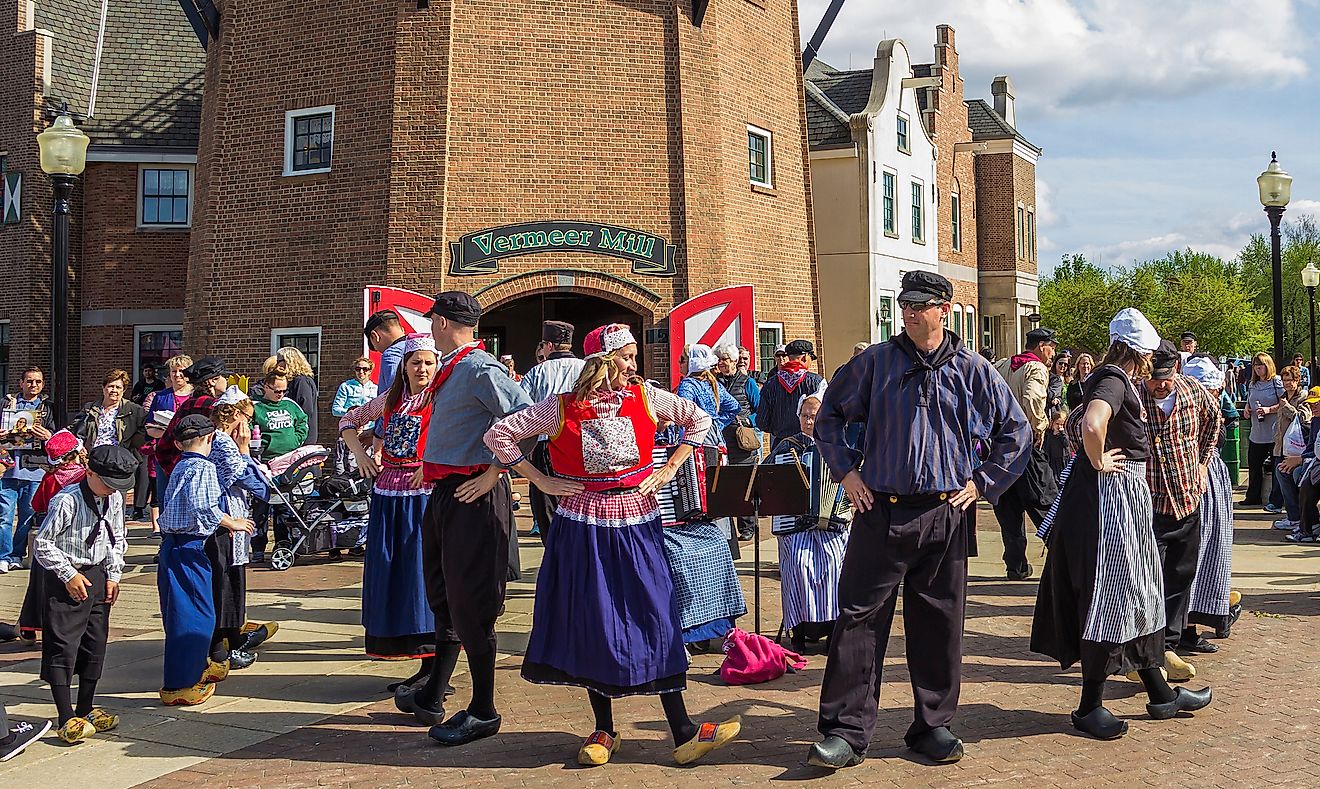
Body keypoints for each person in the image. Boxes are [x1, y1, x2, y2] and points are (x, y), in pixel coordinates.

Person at [484, 322, 741, 767]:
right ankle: (604, 728)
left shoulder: (646, 397)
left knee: (655, 613)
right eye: (626, 356)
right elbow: (499, 435)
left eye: (633, 356)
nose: (633, 365)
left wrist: (669, 467)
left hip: (637, 521)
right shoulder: (562, 408)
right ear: (602, 362)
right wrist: (541, 479)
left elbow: (698, 421)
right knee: (593, 617)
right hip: (582, 524)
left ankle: (682, 729)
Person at [807, 270, 1031, 769]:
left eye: (920, 304)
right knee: (858, 621)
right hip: (879, 510)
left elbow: (1016, 431)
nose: (909, 312)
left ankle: (933, 725)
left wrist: (982, 484)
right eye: (904, 303)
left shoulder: (973, 369)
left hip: (944, 512)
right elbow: (827, 419)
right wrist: (846, 473)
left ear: (943, 310)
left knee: (938, 623)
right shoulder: (875, 363)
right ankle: (846, 731)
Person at [1032, 309, 1212, 741]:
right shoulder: (1113, 378)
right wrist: (1098, 460)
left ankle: (1160, 693)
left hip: (1119, 498)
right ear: (1139, 353)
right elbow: (1093, 421)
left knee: (1140, 592)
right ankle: (1089, 705)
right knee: (1112, 598)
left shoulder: (1112, 376)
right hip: (1108, 502)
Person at [396, 291, 532, 747]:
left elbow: (531, 417)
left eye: (430, 319)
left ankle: (484, 709)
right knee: (444, 593)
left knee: (471, 602)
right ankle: (435, 693)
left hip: (473, 492)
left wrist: (496, 469)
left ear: (439, 322)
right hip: (446, 490)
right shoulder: (456, 366)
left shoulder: (479, 367)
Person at [339, 333, 440, 692]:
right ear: (405, 367)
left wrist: (432, 463)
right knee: (393, 570)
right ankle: (413, 655)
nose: (422, 368)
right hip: (389, 492)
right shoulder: (391, 398)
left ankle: (434, 663)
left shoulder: (440, 398)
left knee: (420, 572)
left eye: (428, 362)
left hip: (423, 495)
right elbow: (348, 422)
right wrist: (362, 455)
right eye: (416, 362)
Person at [33, 445, 136, 743]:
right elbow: (43, 544)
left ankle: (86, 706)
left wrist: (113, 574)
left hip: (98, 573)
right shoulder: (67, 500)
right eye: (107, 483)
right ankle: (66, 716)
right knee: (63, 644)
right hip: (66, 574)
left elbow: (118, 537)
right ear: (89, 471)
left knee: (95, 642)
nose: (111, 490)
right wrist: (68, 574)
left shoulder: (113, 498)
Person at [157, 414, 254, 706]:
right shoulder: (204, 468)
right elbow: (204, 506)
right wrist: (231, 522)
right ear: (211, 439)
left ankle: (193, 669)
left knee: (183, 613)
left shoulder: (181, 465)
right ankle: (180, 686)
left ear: (177, 442)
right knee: (195, 617)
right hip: (190, 547)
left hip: (174, 546)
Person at [1138, 340, 1220, 680]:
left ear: (1177, 371)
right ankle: (1146, 651)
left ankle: (1168, 647)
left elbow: (1214, 425)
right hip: (1149, 505)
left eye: (1166, 378)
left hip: (1187, 500)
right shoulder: (1130, 395)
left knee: (1180, 577)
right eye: (1154, 378)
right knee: (1147, 582)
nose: (1160, 385)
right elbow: (1078, 424)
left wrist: (1203, 464)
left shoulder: (1193, 393)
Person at [670, 344, 746, 646]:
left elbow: (682, 416)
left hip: (695, 448)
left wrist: (683, 436)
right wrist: (716, 424)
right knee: (718, 503)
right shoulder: (713, 384)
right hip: (717, 447)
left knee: (696, 499)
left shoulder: (688, 385)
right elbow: (733, 408)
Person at [768, 387, 850, 654]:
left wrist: (846, 504)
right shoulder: (787, 447)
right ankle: (799, 631)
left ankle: (831, 629)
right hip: (795, 524)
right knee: (799, 564)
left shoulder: (839, 445)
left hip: (831, 523)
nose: (808, 421)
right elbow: (770, 481)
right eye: (804, 416)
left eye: (814, 416)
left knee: (832, 565)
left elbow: (854, 479)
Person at [208, 388, 274, 672]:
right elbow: (252, 481)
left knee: (233, 577)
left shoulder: (221, 440)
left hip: (232, 514)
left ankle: (233, 636)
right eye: (247, 418)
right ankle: (227, 644)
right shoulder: (223, 442)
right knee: (226, 580)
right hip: (224, 519)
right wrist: (246, 451)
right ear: (234, 416)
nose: (250, 426)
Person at [1180, 356, 1243, 643]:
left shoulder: (1189, 406)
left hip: (1204, 475)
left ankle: (1205, 616)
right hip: (1199, 477)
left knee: (1207, 547)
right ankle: (1193, 624)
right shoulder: (1197, 409)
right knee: (1201, 548)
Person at [991, 326, 1060, 580]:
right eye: (1051, 347)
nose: (1052, 353)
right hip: (1025, 444)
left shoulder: (1001, 365)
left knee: (1008, 508)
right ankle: (1062, 559)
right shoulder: (1036, 368)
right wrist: (1038, 425)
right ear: (1042, 346)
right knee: (1045, 503)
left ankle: (1016, 565)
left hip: (1001, 446)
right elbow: (1032, 398)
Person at [17, 430, 89, 642]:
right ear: (76, 452)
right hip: (76, 537)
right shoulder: (84, 476)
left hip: (49, 535)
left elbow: (36, 505)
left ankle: (30, 625)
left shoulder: (49, 478)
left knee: (39, 585)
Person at [518, 320, 585, 542]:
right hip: (581, 444)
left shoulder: (536, 372)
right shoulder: (586, 369)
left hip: (545, 444)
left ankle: (553, 549)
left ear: (548, 345)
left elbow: (520, 409)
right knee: (580, 498)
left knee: (546, 503)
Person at [70, 370, 148, 519]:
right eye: (111, 386)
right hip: (94, 460)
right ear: (103, 387)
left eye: (119, 387)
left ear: (124, 390)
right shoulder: (90, 408)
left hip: (118, 461)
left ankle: (116, 537)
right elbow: (76, 431)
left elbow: (145, 430)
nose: (114, 391)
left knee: (116, 505)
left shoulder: (133, 410)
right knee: (91, 502)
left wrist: (131, 446)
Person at [250, 367, 309, 561]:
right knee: (261, 506)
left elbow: (302, 422)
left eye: (283, 390)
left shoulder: (290, 405)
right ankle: (258, 547)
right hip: (264, 463)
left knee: (285, 506)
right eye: (276, 390)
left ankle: (283, 543)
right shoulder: (257, 407)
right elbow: (249, 428)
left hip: (287, 462)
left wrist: (297, 440)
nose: (280, 394)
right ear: (265, 387)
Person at [1, 367, 55, 573]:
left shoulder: (48, 407)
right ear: (21, 383)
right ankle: (3, 556)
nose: (34, 385)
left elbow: (58, 435)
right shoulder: (6, 404)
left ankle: (16, 554)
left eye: (38, 382)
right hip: (6, 468)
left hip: (34, 469)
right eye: (30, 381)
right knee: (4, 516)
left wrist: (47, 435)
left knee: (27, 516)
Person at [713, 342, 762, 541]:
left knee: (744, 485)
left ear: (734, 361)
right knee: (726, 486)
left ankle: (748, 526)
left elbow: (760, 410)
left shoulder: (747, 382)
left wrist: (748, 421)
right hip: (721, 441)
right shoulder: (714, 382)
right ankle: (727, 530)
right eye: (719, 359)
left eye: (724, 359)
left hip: (742, 442)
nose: (721, 363)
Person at [145, 355, 196, 531]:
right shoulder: (160, 397)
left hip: (190, 453)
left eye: (181, 371)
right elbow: (149, 427)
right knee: (165, 496)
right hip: (166, 454)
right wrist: (170, 432)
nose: (177, 375)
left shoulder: (196, 396)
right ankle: (166, 539)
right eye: (174, 371)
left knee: (190, 495)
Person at [756, 339, 824, 447]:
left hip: (781, 444)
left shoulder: (770, 384)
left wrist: (778, 428)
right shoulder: (817, 382)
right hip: (810, 445)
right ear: (805, 357)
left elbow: (761, 422)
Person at [1242, 352, 1283, 506]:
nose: (1258, 370)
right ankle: (1252, 496)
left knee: (1275, 467)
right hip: (1256, 433)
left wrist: (1269, 410)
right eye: (1256, 367)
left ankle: (1275, 499)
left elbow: (1283, 404)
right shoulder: (1252, 384)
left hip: (1273, 433)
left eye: (1261, 367)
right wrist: (1247, 408)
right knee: (1254, 466)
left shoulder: (1276, 382)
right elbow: (1250, 400)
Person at [1269, 365, 1309, 515]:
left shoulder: (1303, 397)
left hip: (1297, 449)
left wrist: (1287, 408)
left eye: (1290, 380)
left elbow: (1304, 418)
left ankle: (1298, 516)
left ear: (1297, 380)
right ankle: (1292, 515)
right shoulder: (1284, 397)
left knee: (1294, 480)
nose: (1287, 383)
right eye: (1284, 380)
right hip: (1281, 446)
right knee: (1281, 477)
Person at [331, 357, 378, 475]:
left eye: (365, 369)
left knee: (369, 466)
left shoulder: (376, 389)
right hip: (351, 432)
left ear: (370, 371)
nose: (361, 372)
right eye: (358, 369)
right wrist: (352, 412)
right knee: (345, 465)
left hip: (368, 433)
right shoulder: (346, 386)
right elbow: (335, 410)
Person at [272, 347, 319, 445]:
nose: (277, 365)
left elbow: (306, 410)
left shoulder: (301, 381)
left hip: (301, 436)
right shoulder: (295, 381)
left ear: (288, 361)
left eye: (279, 361)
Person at [365, 309, 408, 391]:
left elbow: (394, 394)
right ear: (402, 329)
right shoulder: (424, 348)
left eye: (375, 347)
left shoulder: (391, 354)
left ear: (375, 336)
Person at [1047, 350, 1072, 418]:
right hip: (1055, 411)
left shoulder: (1070, 380)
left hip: (1067, 411)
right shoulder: (1049, 377)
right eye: (1060, 363)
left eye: (1066, 364)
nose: (1063, 366)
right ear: (1055, 363)